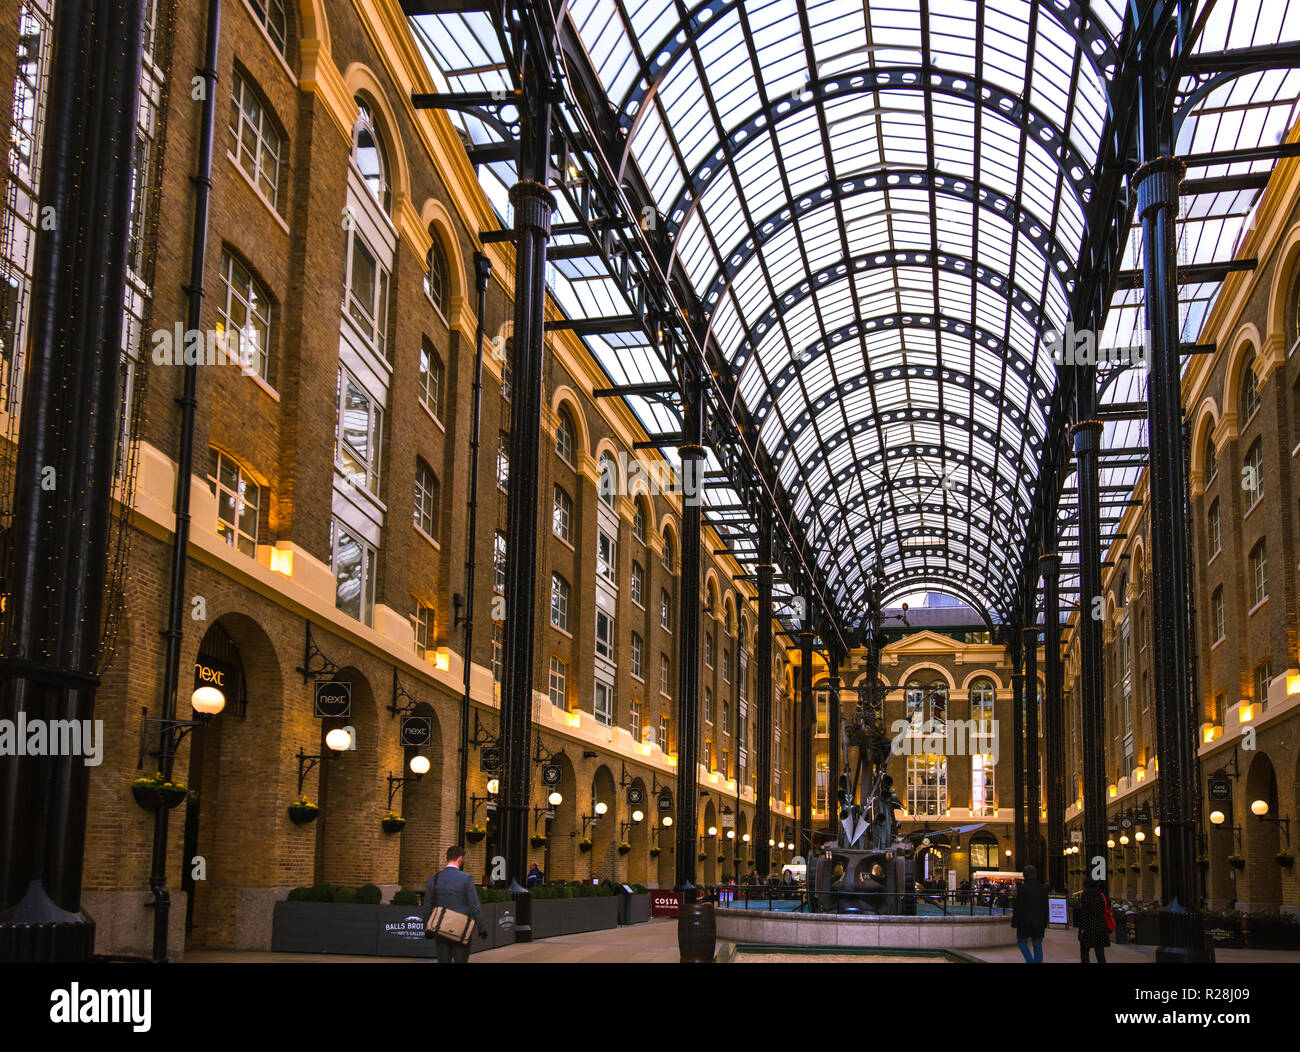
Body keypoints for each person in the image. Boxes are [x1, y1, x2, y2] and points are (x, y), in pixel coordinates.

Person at [425, 845, 486, 964]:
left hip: (440, 927)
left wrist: (426, 927)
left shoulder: (434, 878)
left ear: (445, 858)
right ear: (460, 859)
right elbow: (475, 906)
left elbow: (427, 906)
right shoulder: (466, 878)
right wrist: (481, 928)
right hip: (461, 928)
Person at [1010, 864, 1049, 963]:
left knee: (1021, 942)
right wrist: (1045, 921)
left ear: (1024, 875)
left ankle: (1031, 961)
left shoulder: (1022, 889)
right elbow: (1045, 907)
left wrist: (1015, 922)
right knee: (1038, 945)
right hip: (1039, 921)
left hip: (1025, 921)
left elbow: (1018, 907)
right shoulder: (1043, 888)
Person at [1075, 877, 1110, 963]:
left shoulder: (1085, 895)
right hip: (1100, 926)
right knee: (1100, 953)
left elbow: (1084, 913)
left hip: (1089, 926)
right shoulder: (1101, 895)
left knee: (1084, 951)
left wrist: (1080, 930)